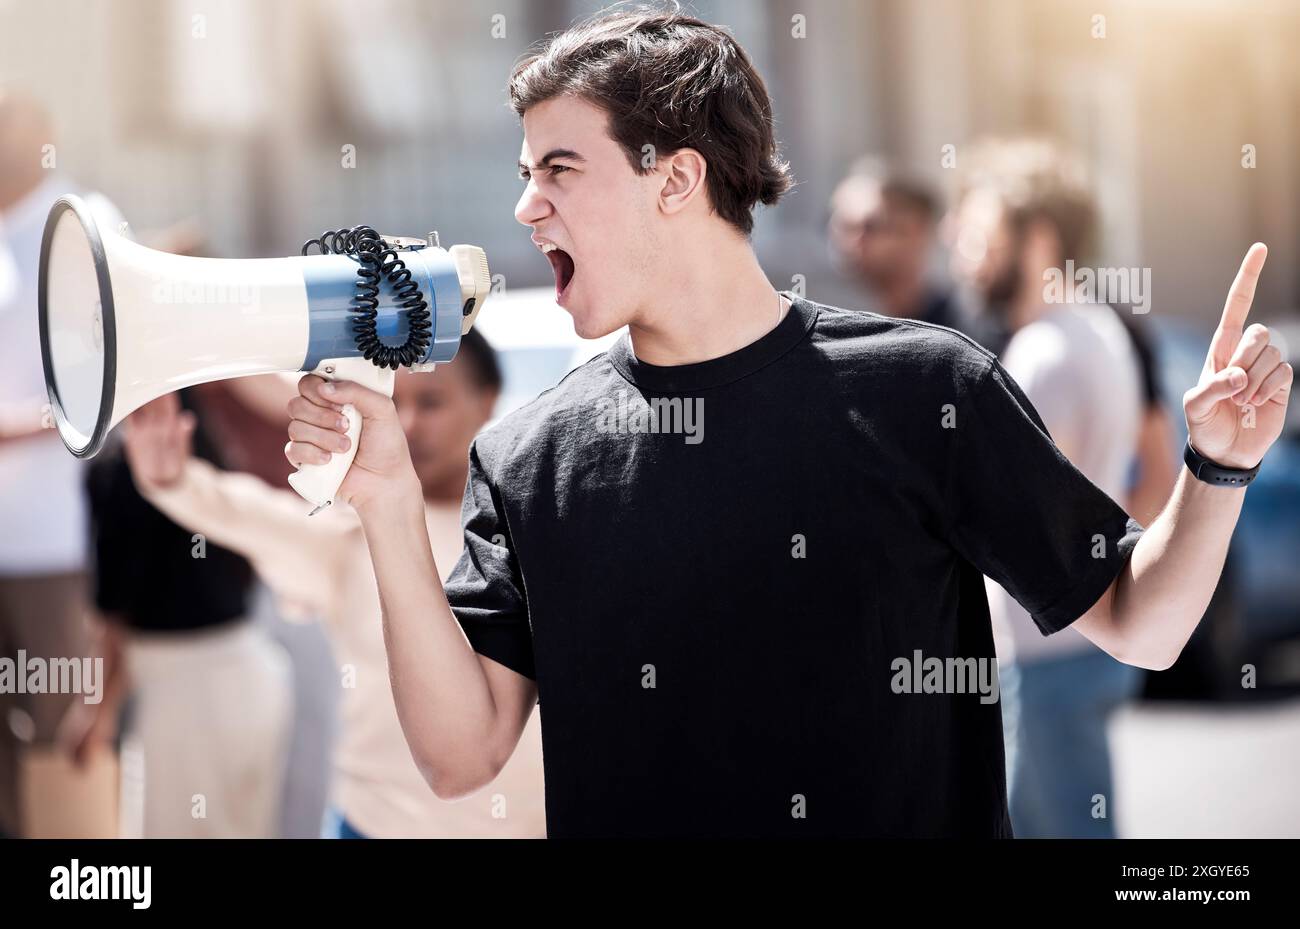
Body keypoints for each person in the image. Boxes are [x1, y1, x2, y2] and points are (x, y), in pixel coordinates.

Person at [282, 9, 1292, 838]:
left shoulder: (925, 389)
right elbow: (460, 759)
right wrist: (381, 502)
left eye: (557, 169)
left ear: (675, 177)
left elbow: (1143, 623)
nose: (525, 208)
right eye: (523, 173)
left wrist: (1216, 466)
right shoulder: (526, 454)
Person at [124, 332, 547, 838]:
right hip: (370, 825)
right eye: (393, 403)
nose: (406, 424)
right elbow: (252, 517)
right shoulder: (348, 530)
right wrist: (174, 482)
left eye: (431, 402)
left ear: (488, 399)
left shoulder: (539, 524)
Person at [949, 138, 1143, 837]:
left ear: (1036, 240)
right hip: (1076, 646)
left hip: (1052, 654)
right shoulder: (1093, 329)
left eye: (980, 233)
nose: (963, 251)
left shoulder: (1045, 353)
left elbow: (998, 512)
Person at [71, 391, 292, 838]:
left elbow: (112, 614)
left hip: (184, 696)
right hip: (257, 674)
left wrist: (94, 714)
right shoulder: (212, 450)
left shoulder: (116, 468)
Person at [0, 88, 124, 837]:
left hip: (59, 549)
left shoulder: (84, 223)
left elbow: (112, 378)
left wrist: (17, 429)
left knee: (66, 743)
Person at [828, 157, 966, 333]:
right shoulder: (838, 328)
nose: (852, 240)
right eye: (844, 226)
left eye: (870, 227)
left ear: (917, 232)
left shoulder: (964, 329)